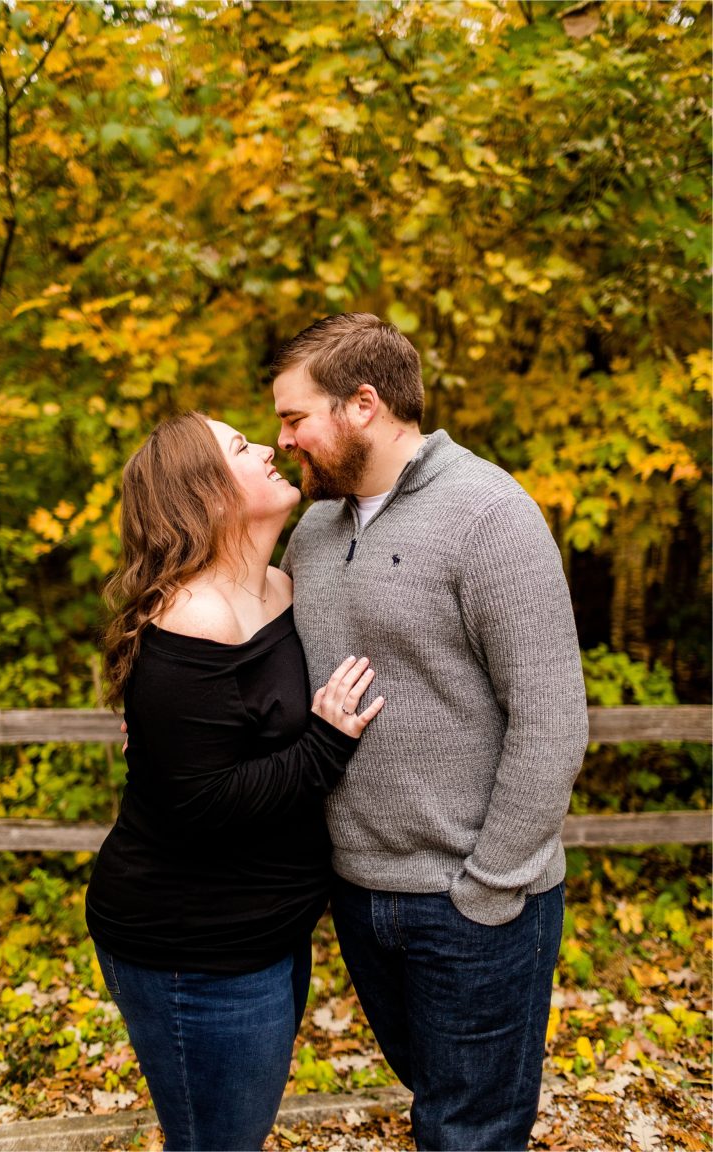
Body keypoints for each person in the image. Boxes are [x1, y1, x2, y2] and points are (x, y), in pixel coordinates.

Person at [271, 313, 590, 1152]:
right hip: (358, 894)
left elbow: (552, 719)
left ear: (362, 404)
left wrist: (489, 887)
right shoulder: (315, 530)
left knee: (467, 1132)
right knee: (439, 1106)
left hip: (475, 902)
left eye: (295, 417)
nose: (283, 440)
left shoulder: (490, 514)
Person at [85, 411, 384, 1152]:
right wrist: (327, 743)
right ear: (207, 493)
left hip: (269, 929)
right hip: (193, 947)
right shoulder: (193, 616)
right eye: (241, 447)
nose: (267, 449)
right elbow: (200, 803)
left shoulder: (280, 586)